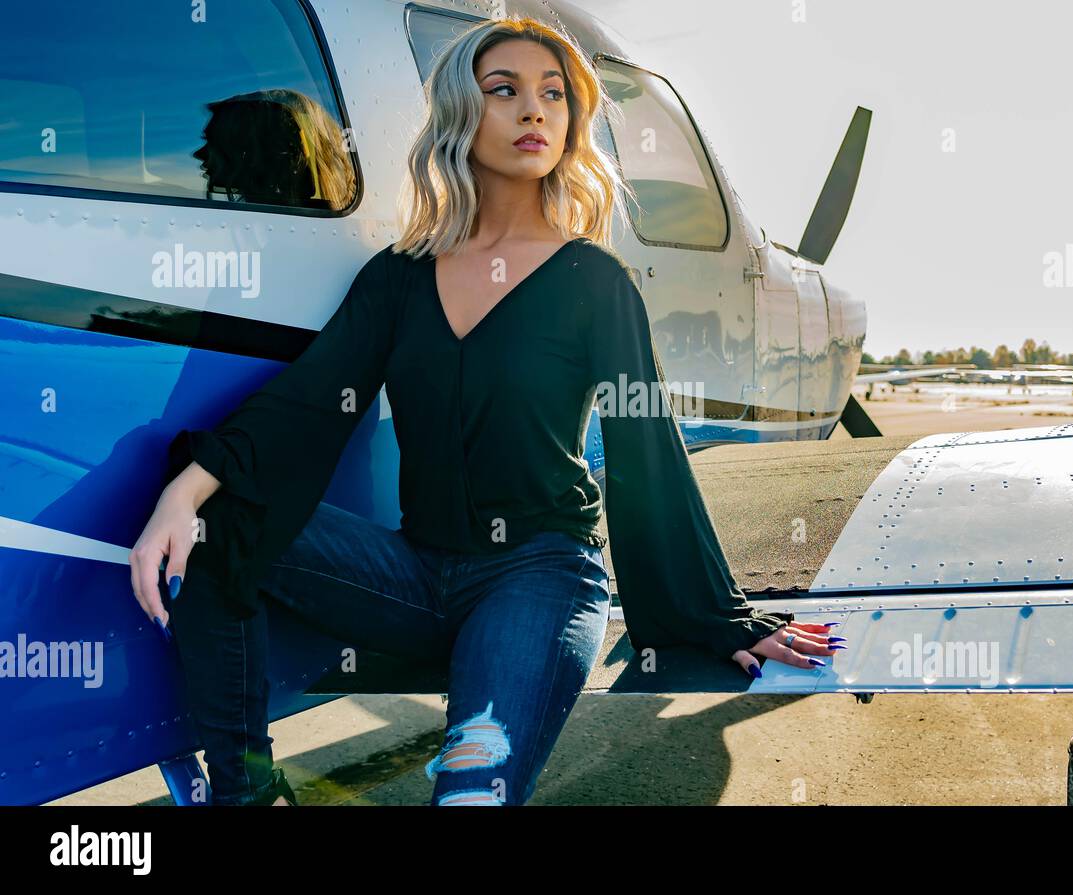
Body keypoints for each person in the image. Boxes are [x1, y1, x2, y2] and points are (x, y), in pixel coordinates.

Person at [130, 16, 840, 807]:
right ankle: (247, 792)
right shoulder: (396, 279)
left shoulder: (591, 281)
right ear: (461, 118)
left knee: (471, 792)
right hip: (414, 575)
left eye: (553, 95)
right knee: (218, 518)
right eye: (504, 91)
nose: (535, 111)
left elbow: (648, 453)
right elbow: (306, 406)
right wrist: (187, 492)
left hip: (539, 577)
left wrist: (721, 616)